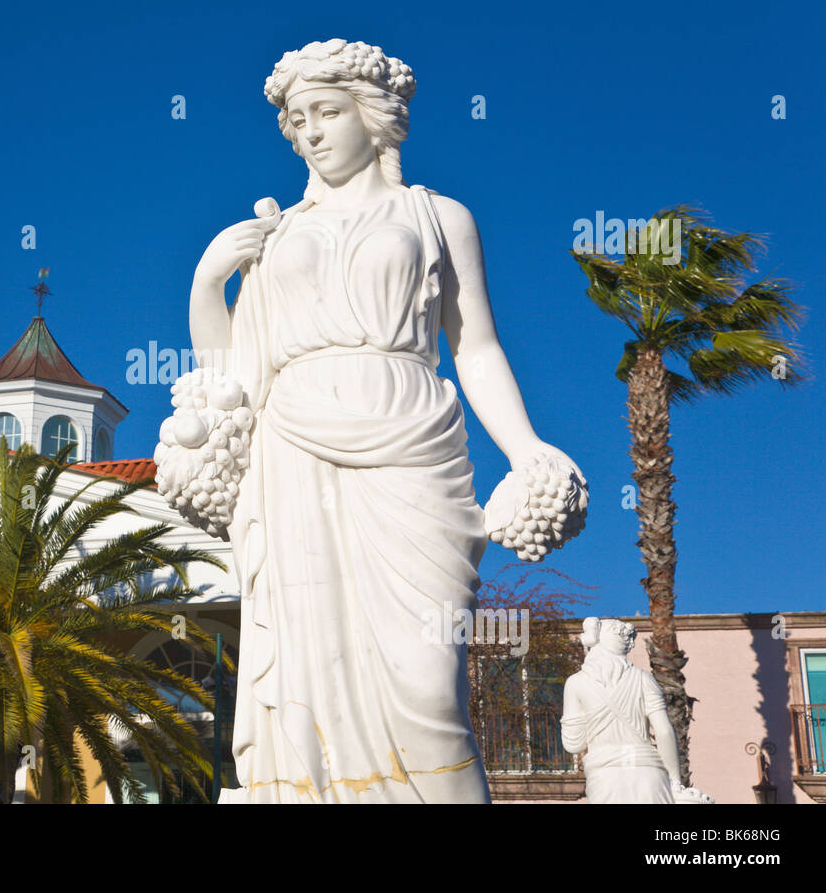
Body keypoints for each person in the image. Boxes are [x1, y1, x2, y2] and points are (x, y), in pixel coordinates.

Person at [188, 39, 580, 803]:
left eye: (327, 112)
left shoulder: (437, 217)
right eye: (297, 120)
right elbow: (229, 383)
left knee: (429, 682)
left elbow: (477, 348)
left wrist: (526, 447)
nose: (310, 132)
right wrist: (209, 283)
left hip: (413, 444)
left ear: (373, 116)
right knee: (310, 665)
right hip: (293, 447)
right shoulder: (274, 237)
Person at [561, 618, 681, 804]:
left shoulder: (576, 683)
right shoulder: (644, 679)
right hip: (648, 773)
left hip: (606, 775)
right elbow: (664, 731)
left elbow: (573, 744)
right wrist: (675, 780)